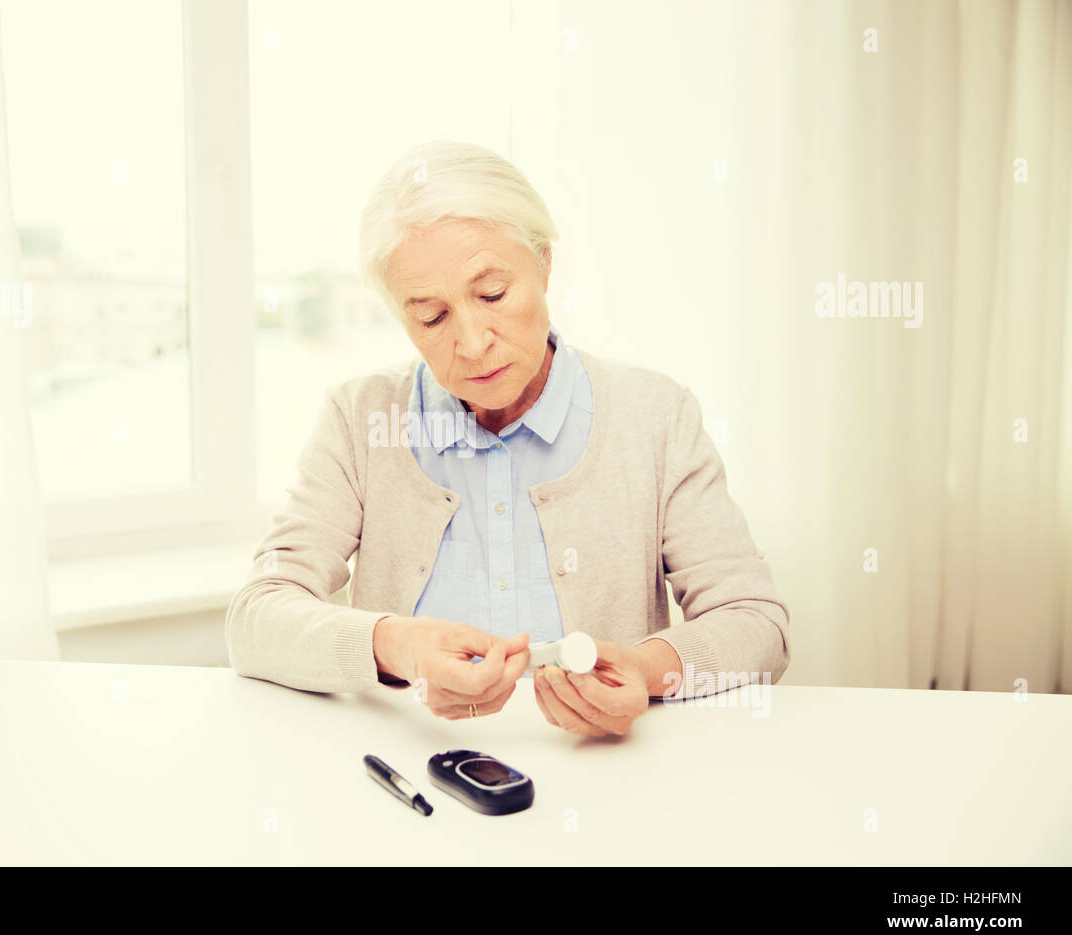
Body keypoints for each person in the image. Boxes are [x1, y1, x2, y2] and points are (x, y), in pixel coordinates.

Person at [225, 140, 789, 737]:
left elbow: (756, 624)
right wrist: (397, 647)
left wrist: (649, 670)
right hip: (415, 782)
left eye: (492, 294)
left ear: (544, 262)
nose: (471, 343)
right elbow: (256, 616)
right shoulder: (358, 419)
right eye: (432, 316)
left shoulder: (656, 416)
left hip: (611, 780)